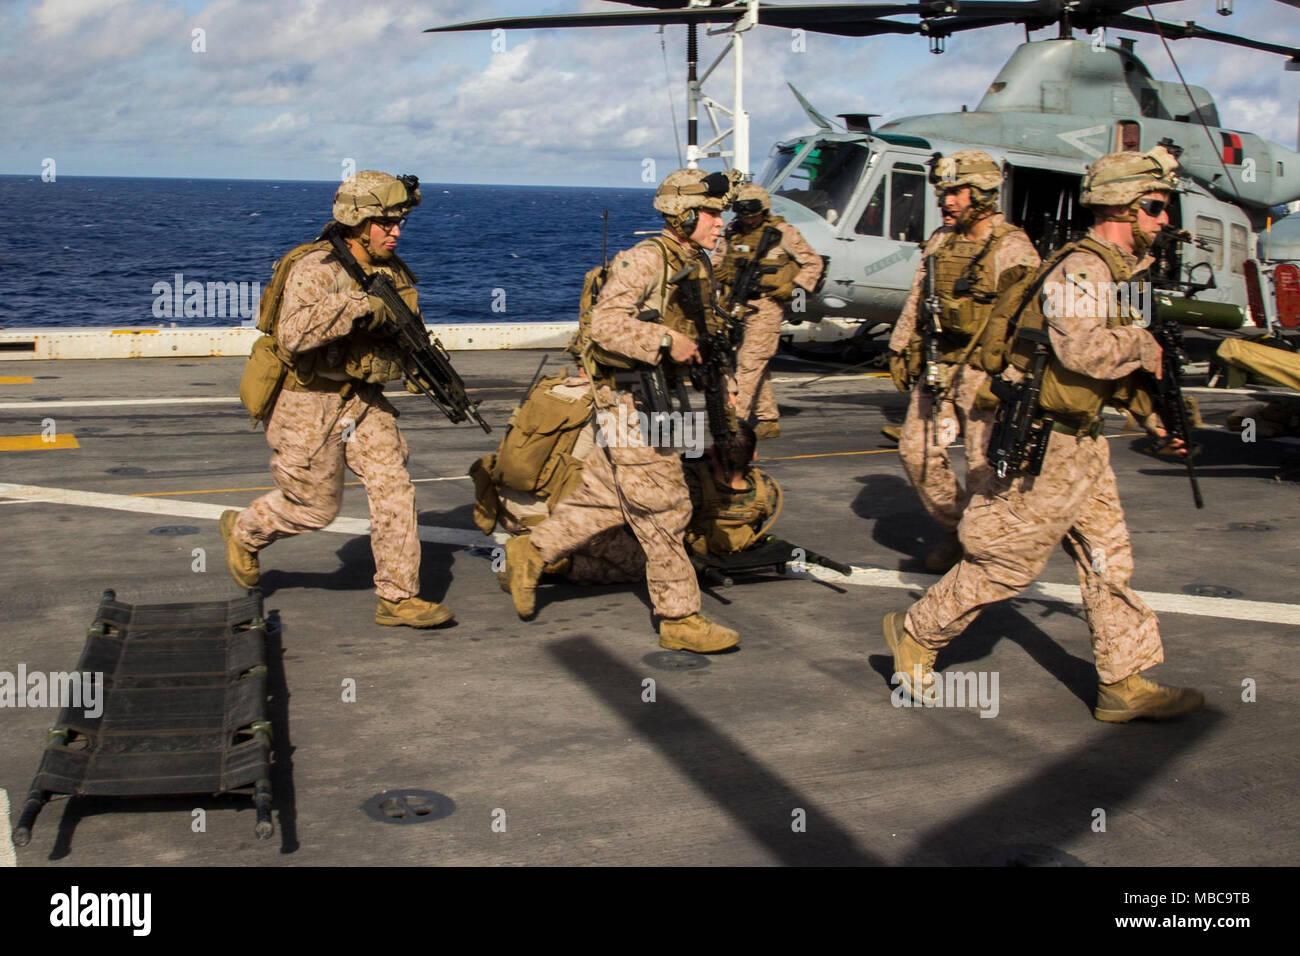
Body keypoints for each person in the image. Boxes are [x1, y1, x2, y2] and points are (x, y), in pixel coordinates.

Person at [881, 145, 1204, 723]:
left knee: (1108, 559)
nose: (1164, 220)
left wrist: (1160, 422)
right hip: (1048, 447)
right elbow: (1083, 351)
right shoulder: (1082, 269)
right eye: (1155, 207)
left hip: (1085, 443)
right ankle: (917, 631)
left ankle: (1122, 681)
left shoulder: (1121, 271)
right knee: (1005, 560)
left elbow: (1121, 376)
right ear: (1124, 209)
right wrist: (1143, 345)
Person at [500, 168, 742, 654]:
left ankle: (531, 550)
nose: (720, 222)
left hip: (664, 397)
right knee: (668, 506)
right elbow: (606, 327)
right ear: (685, 213)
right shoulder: (646, 260)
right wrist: (666, 340)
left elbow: (701, 332)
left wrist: (720, 378)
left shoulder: (693, 261)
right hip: (634, 400)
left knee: (603, 498)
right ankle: (680, 617)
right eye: (713, 213)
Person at [221, 171, 454, 628]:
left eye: (399, 222)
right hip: (308, 400)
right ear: (357, 221)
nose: (396, 232)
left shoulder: (391, 270)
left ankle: (398, 597)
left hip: (362, 399)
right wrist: (361, 306)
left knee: (394, 485)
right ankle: (245, 531)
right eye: (385, 223)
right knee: (315, 508)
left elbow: (404, 330)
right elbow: (292, 333)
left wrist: (423, 369)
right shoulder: (317, 269)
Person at [886, 150, 1040, 571]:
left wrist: (1009, 379)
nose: (947, 201)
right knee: (915, 450)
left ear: (985, 193)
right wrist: (901, 347)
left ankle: (981, 548)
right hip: (940, 362)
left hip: (984, 373)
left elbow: (1029, 324)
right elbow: (919, 295)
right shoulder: (940, 240)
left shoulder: (1013, 248)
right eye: (944, 193)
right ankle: (960, 528)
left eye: (957, 192)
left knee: (981, 466)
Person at [713, 183, 824, 440]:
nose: (748, 219)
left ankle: (734, 425)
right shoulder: (733, 232)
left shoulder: (782, 232)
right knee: (751, 364)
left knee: (749, 364)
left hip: (767, 306)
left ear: (763, 210)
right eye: (743, 213)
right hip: (736, 305)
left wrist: (792, 288)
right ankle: (768, 418)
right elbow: (718, 261)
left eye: (753, 213)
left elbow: (813, 263)